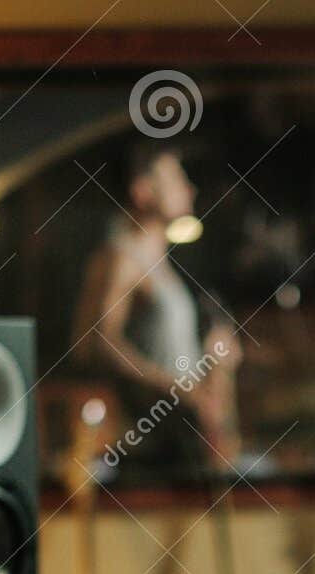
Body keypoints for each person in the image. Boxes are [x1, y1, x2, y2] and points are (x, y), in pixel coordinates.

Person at [72, 139, 242, 471]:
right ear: (142, 191)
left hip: (189, 445)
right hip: (152, 452)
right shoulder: (122, 257)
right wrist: (179, 390)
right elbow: (96, 343)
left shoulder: (164, 266)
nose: (189, 188)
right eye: (176, 179)